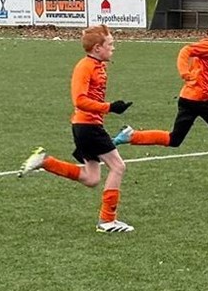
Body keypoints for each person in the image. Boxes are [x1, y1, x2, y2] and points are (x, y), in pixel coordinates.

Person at [112, 11, 208, 188]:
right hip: (202, 100)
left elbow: (204, 77)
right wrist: (183, 72)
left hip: (188, 98)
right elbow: (185, 50)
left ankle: (131, 136)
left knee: (175, 139)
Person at [18, 24, 136, 233]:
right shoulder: (85, 66)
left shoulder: (97, 65)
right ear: (97, 48)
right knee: (118, 167)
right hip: (87, 126)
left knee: (91, 179)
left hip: (88, 126)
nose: (113, 48)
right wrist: (109, 107)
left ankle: (46, 162)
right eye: (110, 44)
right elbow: (79, 100)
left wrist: (107, 109)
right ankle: (107, 221)